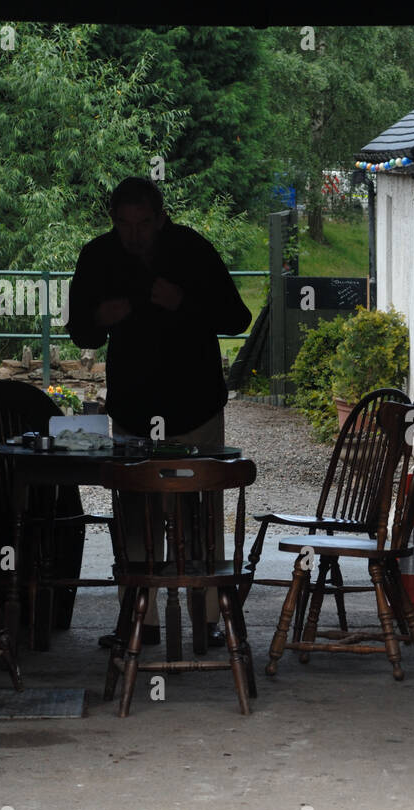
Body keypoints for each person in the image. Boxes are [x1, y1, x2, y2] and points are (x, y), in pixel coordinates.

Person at [68, 176, 250, 647]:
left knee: (202, 515)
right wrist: (98, 320)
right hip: (133, 410)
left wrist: (185, 303)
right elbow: (80, 334)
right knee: (136, 518)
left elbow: (237, 318)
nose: (134, 235)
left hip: (195, 408)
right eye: (124, 224)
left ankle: (207, 619)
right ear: (113, 222)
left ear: (160, 217)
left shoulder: (191, 249)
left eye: (143, 223)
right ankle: (141, 622)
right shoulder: (98, 257)